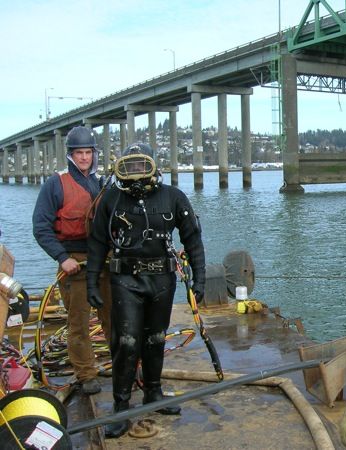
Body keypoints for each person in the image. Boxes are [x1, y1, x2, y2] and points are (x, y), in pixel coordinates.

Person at [86, 142, 206, 438]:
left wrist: (199, 280)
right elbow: (98, 242)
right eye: (131, 167)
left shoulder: (173, 197)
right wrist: (91, 282)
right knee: (126, 342)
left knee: (155, 339)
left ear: (153, 166)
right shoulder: (112, 198)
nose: (137, 173)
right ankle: (121, 406)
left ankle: (153, 393)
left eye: (142, 166)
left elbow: (192, 239)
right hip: (125, 280)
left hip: (162, 281)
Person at [32, 125, 112, 395]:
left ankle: (123, 365)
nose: (84, 157)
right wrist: (62, 257)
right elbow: (41, 228)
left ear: (94, 154)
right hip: (74, 261)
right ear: (70, 155)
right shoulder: (55, 184)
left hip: (103, 259)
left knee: (113, 316)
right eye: (79, 153)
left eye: (88, 152)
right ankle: (86, 374)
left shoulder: (102, 184)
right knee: (78, 323)